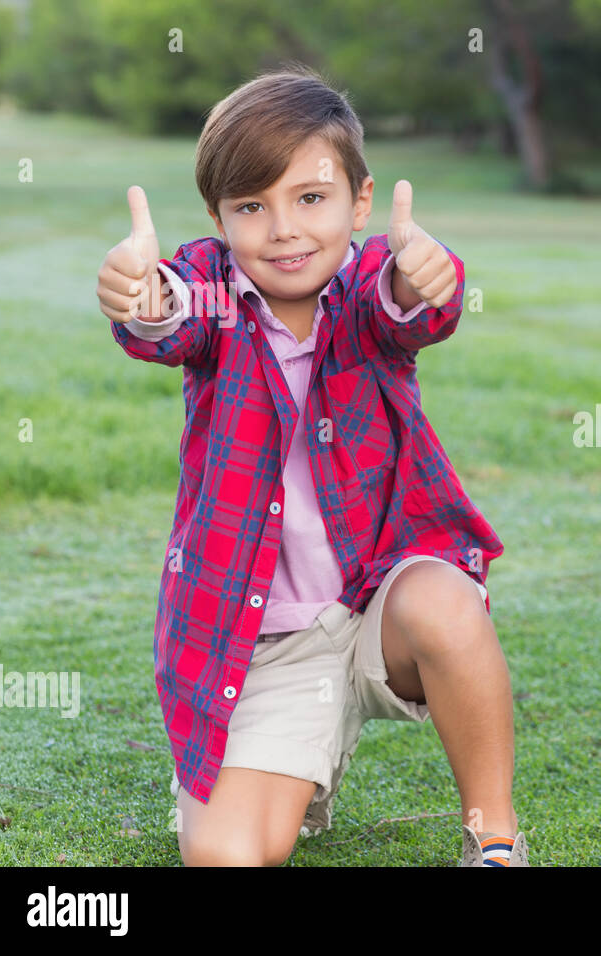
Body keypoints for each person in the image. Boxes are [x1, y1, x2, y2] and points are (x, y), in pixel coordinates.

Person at [96, 64, 526, 867]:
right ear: (220, 219)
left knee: (445, 602)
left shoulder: (367, 285)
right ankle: (278, 760)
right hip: (265, 644)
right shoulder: (214, 292)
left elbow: (411, 305)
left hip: (379, 607)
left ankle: (494, 836)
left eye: (311, 198)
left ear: (360, 203)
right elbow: (170, 314)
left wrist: (421, 272)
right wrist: (142, 295)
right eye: (251, 207)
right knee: (224, 857)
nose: (284, 230)